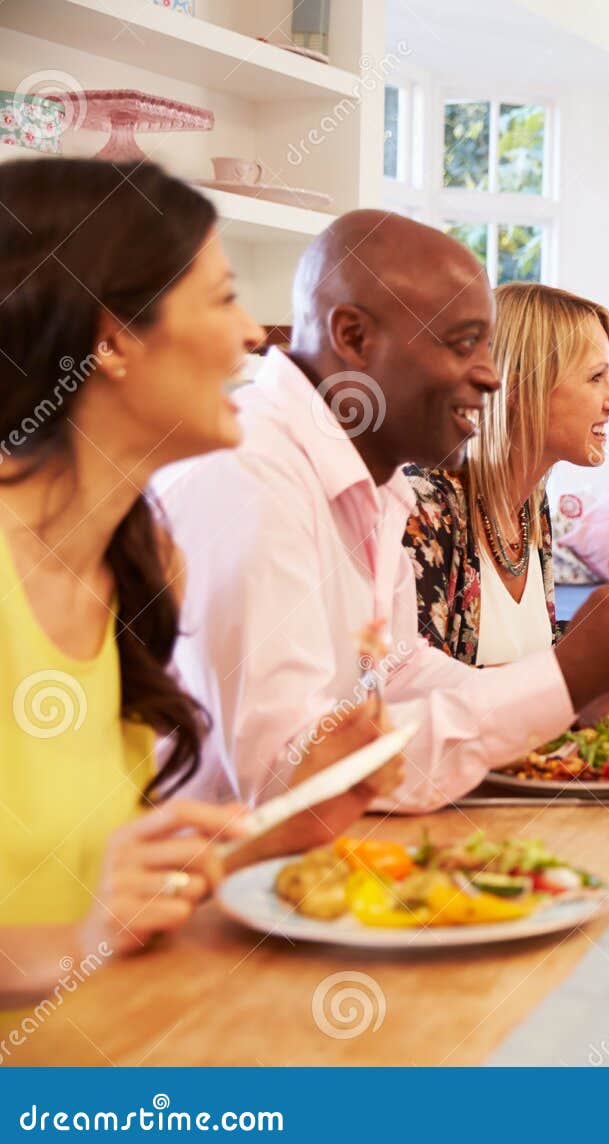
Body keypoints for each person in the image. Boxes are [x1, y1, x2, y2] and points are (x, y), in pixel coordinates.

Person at [0, 160, 396, 1006]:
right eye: (221, 298)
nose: (256, 333)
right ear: (109, 341)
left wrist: (286, 823)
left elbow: (103, 891)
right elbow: (80, 924)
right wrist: (75, 937)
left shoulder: (140, 565)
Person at [156, 211, 609, 815]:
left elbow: (398, 676)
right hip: (204, 886)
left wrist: (581, 676)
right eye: (463, 344)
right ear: (355, 337)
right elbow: (292, 781)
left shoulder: (377, 485)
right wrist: (575, 670)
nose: (492, 376)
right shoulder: (252, 478)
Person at [403, 282, 609, 665]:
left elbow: (531, 651)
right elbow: (410, 696)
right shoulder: (423, 505)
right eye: (595, 377)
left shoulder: (530, 505)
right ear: (518, 388)